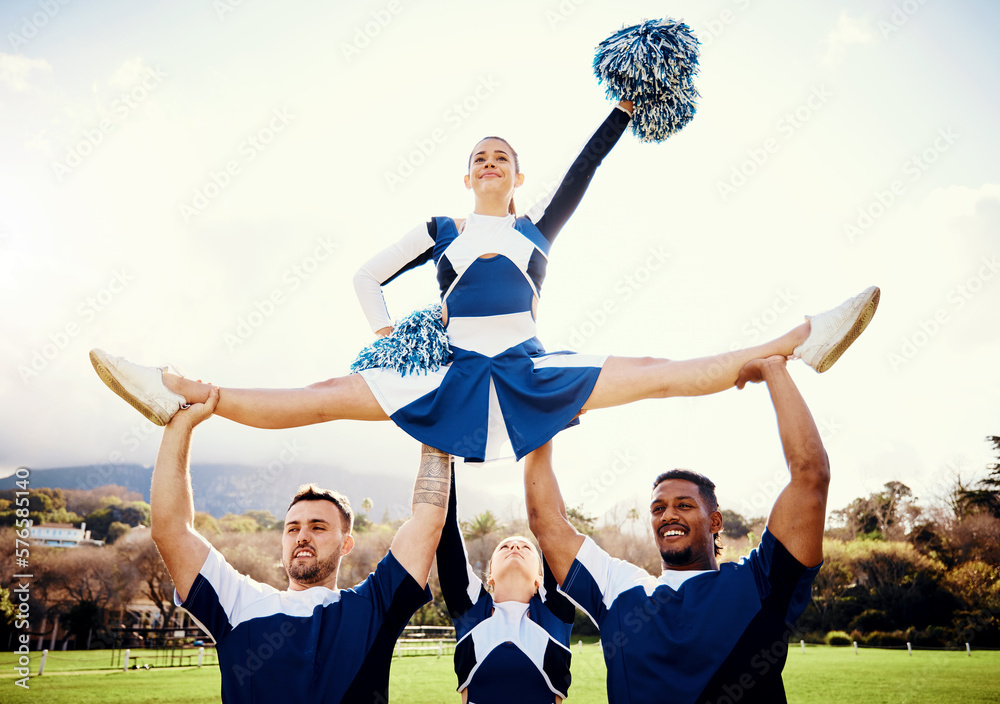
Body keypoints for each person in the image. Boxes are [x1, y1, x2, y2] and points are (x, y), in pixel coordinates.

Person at [89, 98, 879, 463]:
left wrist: (623, 109)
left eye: (501, 154)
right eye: (478, 155)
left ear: (516, 173)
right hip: (449, 370)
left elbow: (587, 167)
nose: (489, 161)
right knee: (324, 394)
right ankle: (185, 391)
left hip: (531, 368)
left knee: (654, 374)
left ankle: (798, 343)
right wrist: (388, 335)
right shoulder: (438, 231)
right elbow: (365, 277)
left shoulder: (537, 228)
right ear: (466, 175)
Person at [525, 355, 835, 703]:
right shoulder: (619, 589)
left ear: (715, 521)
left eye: (683, 505)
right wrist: (542, 421)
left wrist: (772, 367)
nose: (667, 515)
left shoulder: (760, 583)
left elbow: (811, 474)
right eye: (657, 509)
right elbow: (547, 524)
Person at [152, 386, 450, 703]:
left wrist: (439, 420)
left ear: (347, 543)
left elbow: (427, 521)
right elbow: (171, 531)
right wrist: (180, 424)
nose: (302, 536)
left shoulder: (374, 605)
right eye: (292, 528)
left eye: (318, 526)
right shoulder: (238, 603)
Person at [436, 471, 575, 704]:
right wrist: (444, 454)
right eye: (504, 547)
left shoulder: (555, 614)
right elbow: (446, 528)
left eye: (525, 547)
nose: (514, 547)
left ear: (540, 578)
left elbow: (554, 524)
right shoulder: (471, 612)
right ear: (489, 576)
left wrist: (537, 447)